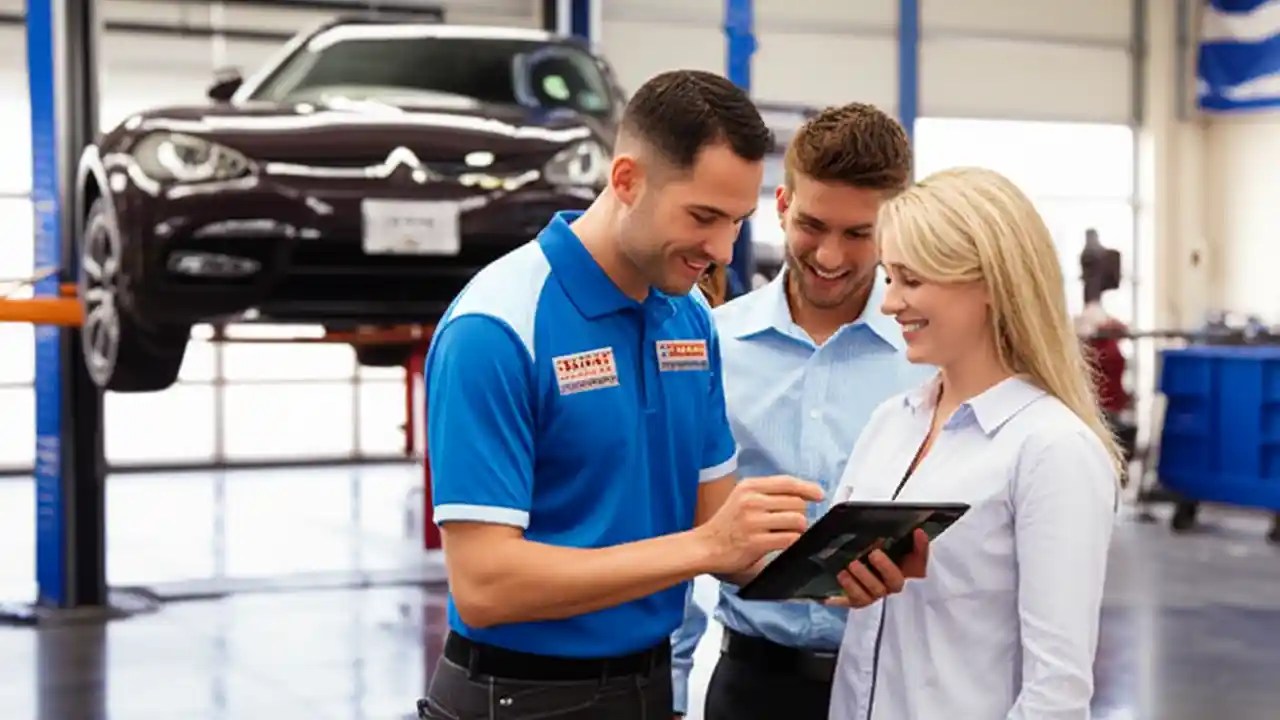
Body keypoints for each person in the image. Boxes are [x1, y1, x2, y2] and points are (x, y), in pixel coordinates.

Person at [415, 70, 912, 720]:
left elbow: (732, 547)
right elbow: (484, 586)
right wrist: (706, 546)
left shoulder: (690, 322)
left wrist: (840, 570)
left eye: (737, 221)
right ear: (626, 181)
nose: (722, 249)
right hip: (516, 698)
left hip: (646, 692)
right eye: (703, 217)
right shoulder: (498, 327)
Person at [826, 166, 1124, 720]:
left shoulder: (1052, 450)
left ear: (989, 284)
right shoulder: (892, 422)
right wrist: (838, 581)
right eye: (889, 279)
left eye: (910, 281)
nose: (889, 304)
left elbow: (1055, 692)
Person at [669, 103, 936, 720]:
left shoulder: (931, 356)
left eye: (859, 234)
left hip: (898, 688)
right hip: (755, 687)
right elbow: (679, 535)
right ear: (782, 203)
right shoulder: (714, 345)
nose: (831, 256)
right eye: (813, 225)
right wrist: (671, 695)